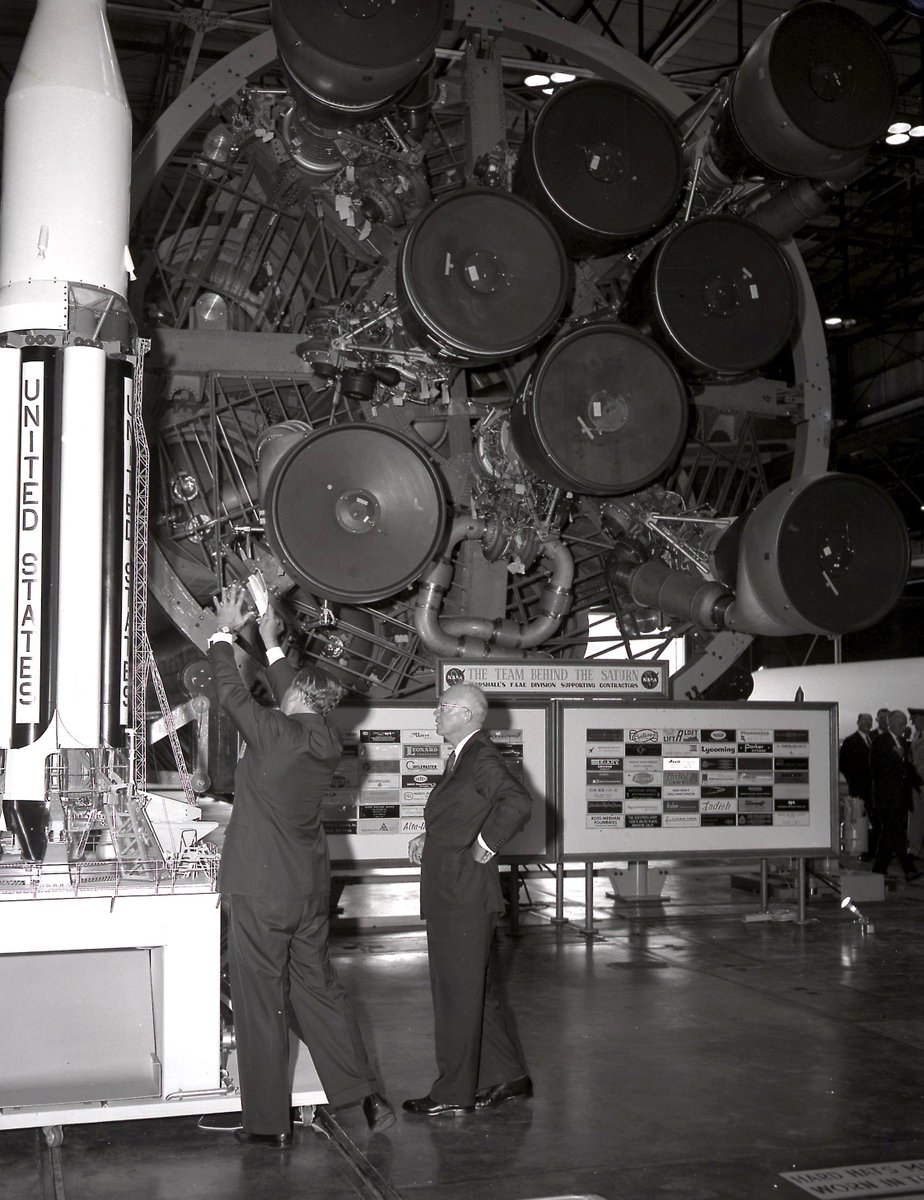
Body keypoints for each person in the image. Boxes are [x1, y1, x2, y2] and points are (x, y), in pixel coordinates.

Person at [209, 583, 394, 1147]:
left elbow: (229, 694)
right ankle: (363, 1095)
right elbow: (295, 690)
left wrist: (223, 631)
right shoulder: (324, 738)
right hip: (308, 892)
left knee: (260, 1001)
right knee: (318, 991)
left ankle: (268, 1125)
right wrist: (269, 642)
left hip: (260, 891)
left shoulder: (275, 734)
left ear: (294, 697)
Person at [403, 682, 533, 1118]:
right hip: (454, 890)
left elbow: (516, 803)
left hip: (462, 893)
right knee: (474, 990)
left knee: (455, 994)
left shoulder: (481, 756)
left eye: (442, 707)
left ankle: (453, 1091)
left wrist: (486, 845)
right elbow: (464, 810)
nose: (435, 714)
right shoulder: (463, 756)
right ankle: (510, 1075)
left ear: (465, 714)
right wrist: (431, 836)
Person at [870, 708, 924, 883]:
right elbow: (875, 767)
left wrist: (919, 784)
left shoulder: (903, 742)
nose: (904, 727)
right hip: (887, 797)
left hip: (901, 797)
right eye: (901, 724)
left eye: (904, 724)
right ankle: (909, 869)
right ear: (891, 724)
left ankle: (879, 868)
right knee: (897, 832)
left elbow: (908, 768)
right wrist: (895, 758)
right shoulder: (880, 741)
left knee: (889, 834)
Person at [838, 713, 875, 860]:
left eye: (869, 721)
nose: (867, 723)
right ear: (858, 722)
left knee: (872, 819)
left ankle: (869, 850)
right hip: (859, 787)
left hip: (872, 788)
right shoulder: (850, 741)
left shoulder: (872, 740)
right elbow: (842, 764)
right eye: (864, 721)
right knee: (860, 819)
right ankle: (861, 850)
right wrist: (853, 779)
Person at [907, 708, 924, 859]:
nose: (912, 723)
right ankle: (915, 849)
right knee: (916, 816)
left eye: (915, 720)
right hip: (916, 783)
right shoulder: (916, 736)